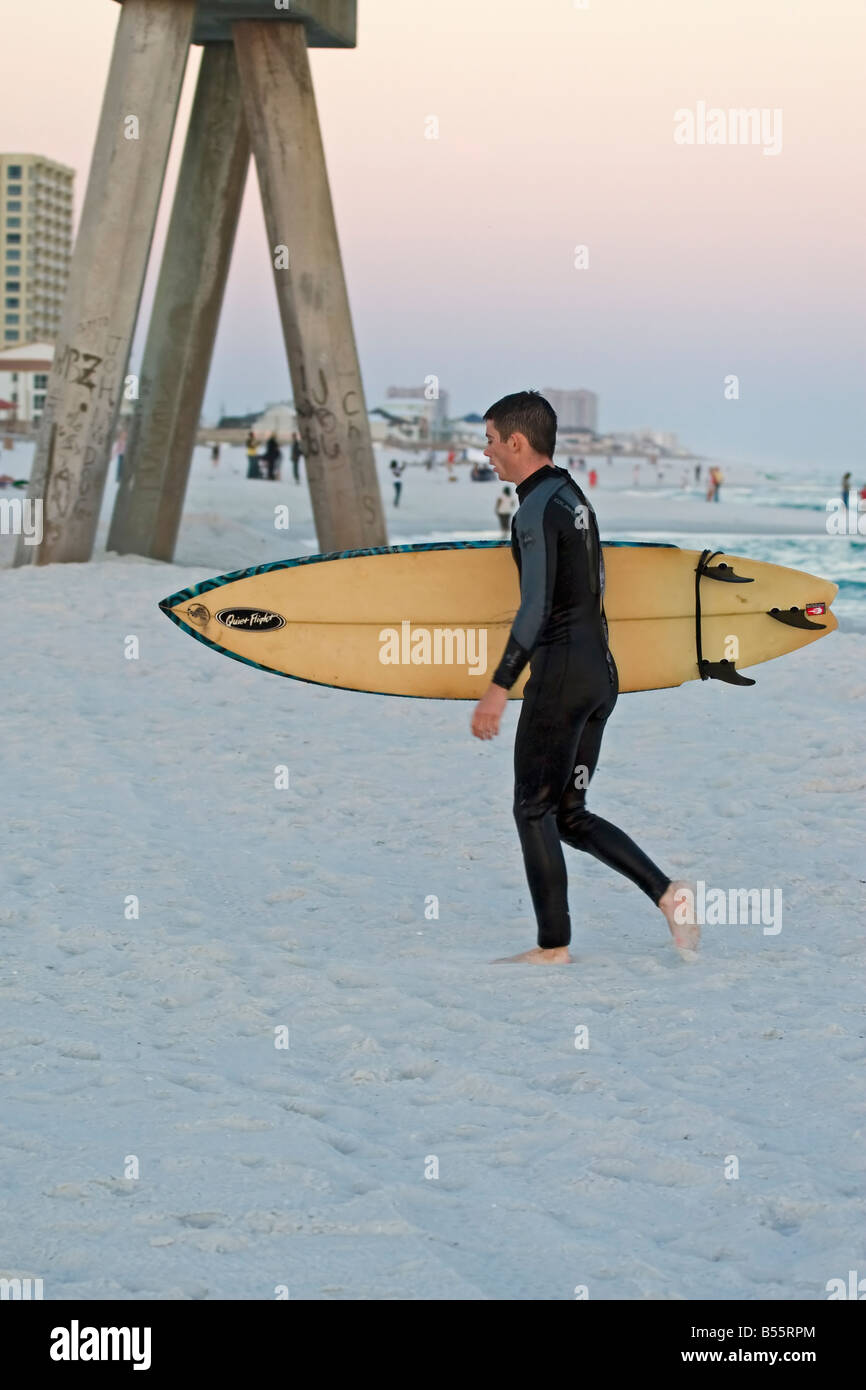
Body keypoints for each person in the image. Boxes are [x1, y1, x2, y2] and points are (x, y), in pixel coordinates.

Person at [470, 389, 697, 965]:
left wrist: (498, 687)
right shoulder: (573, 496)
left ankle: (553, 948)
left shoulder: (533, 508)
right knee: (567, 813)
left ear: (517, 442)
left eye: (492, 441)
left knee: (532, 809)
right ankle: (669, 895)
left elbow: (535, 608)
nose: (487, 452)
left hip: (561, 678)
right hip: (600, 675)